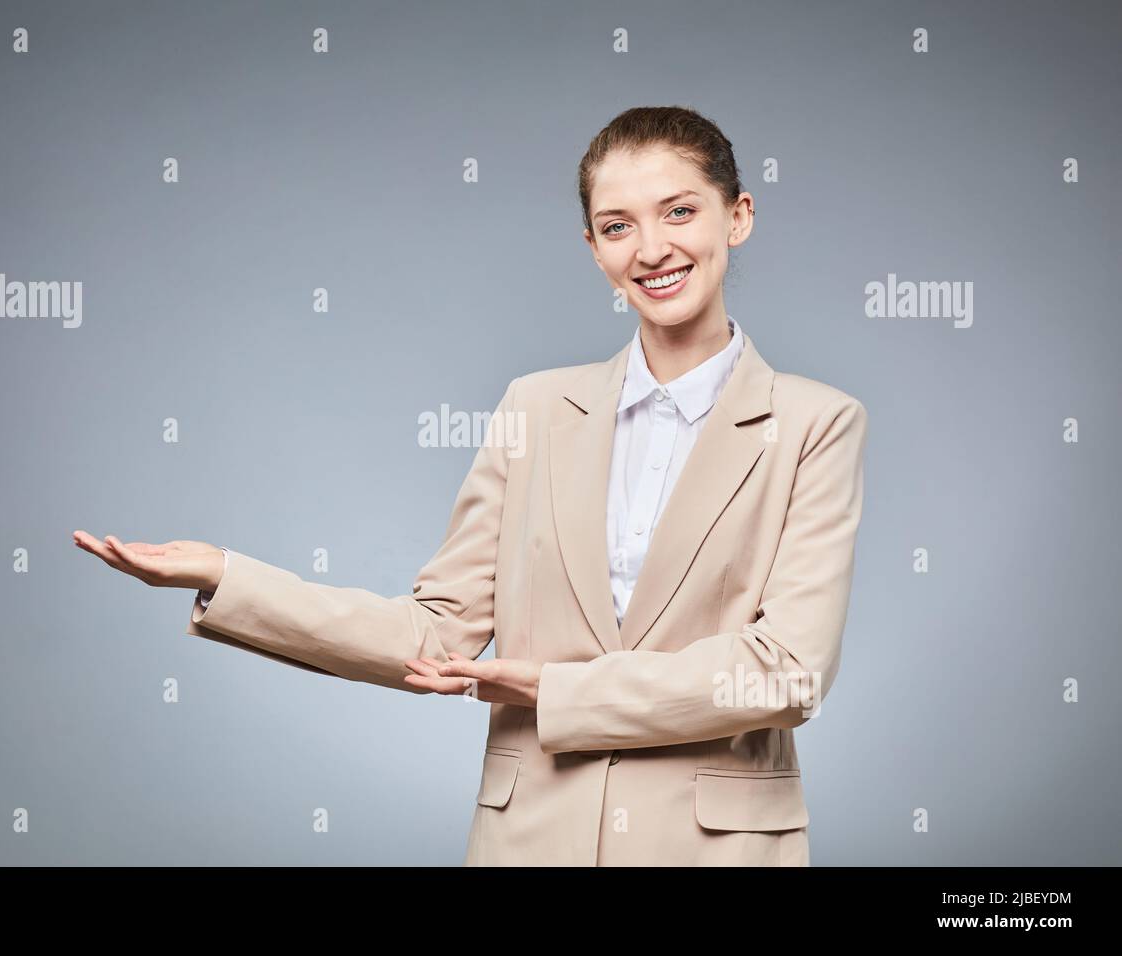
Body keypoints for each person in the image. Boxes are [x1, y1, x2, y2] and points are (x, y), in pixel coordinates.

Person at [74, 105, 868, 866]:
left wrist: (561, 690)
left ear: (738, 217)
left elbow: (784, 671)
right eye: (619, 226)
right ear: (594, 248)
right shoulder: (535, 406)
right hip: (529, 842)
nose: (651, 248)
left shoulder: (814, 423)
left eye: (680, 212)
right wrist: (228, 575)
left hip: (713, 851)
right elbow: (438, 634)